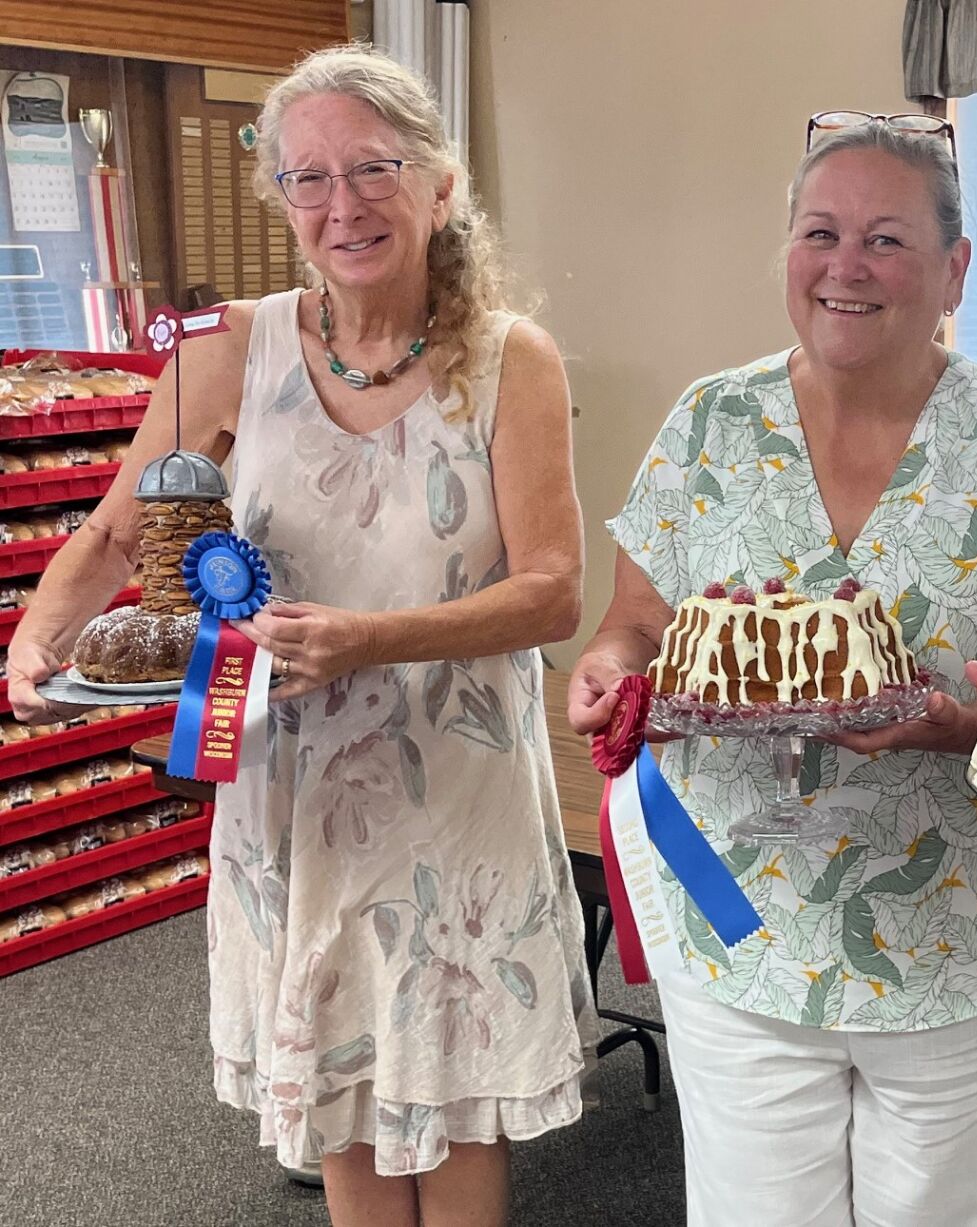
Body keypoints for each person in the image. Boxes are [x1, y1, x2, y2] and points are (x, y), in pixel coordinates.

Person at [9, 45, 597, 1227]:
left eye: (373, 169)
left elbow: (552, 593)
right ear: (280, 196)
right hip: (293, 796)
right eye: (308, 177)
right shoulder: (228, 349)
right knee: (338, 1098)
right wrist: (38, 638)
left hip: (456, 794)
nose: (343, 204)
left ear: (439, 184)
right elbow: (121, 534)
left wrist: (373, 637)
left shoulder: (507, 360)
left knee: (455, 1102)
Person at [567, 112, 977, 1226]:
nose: (845, 266)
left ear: (955, 268)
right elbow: (634, 626)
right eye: (820, 233)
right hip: (740, 924)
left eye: (887, 239)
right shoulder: (710, 422)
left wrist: (975, 726)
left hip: (961, 938)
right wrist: (611, 670)